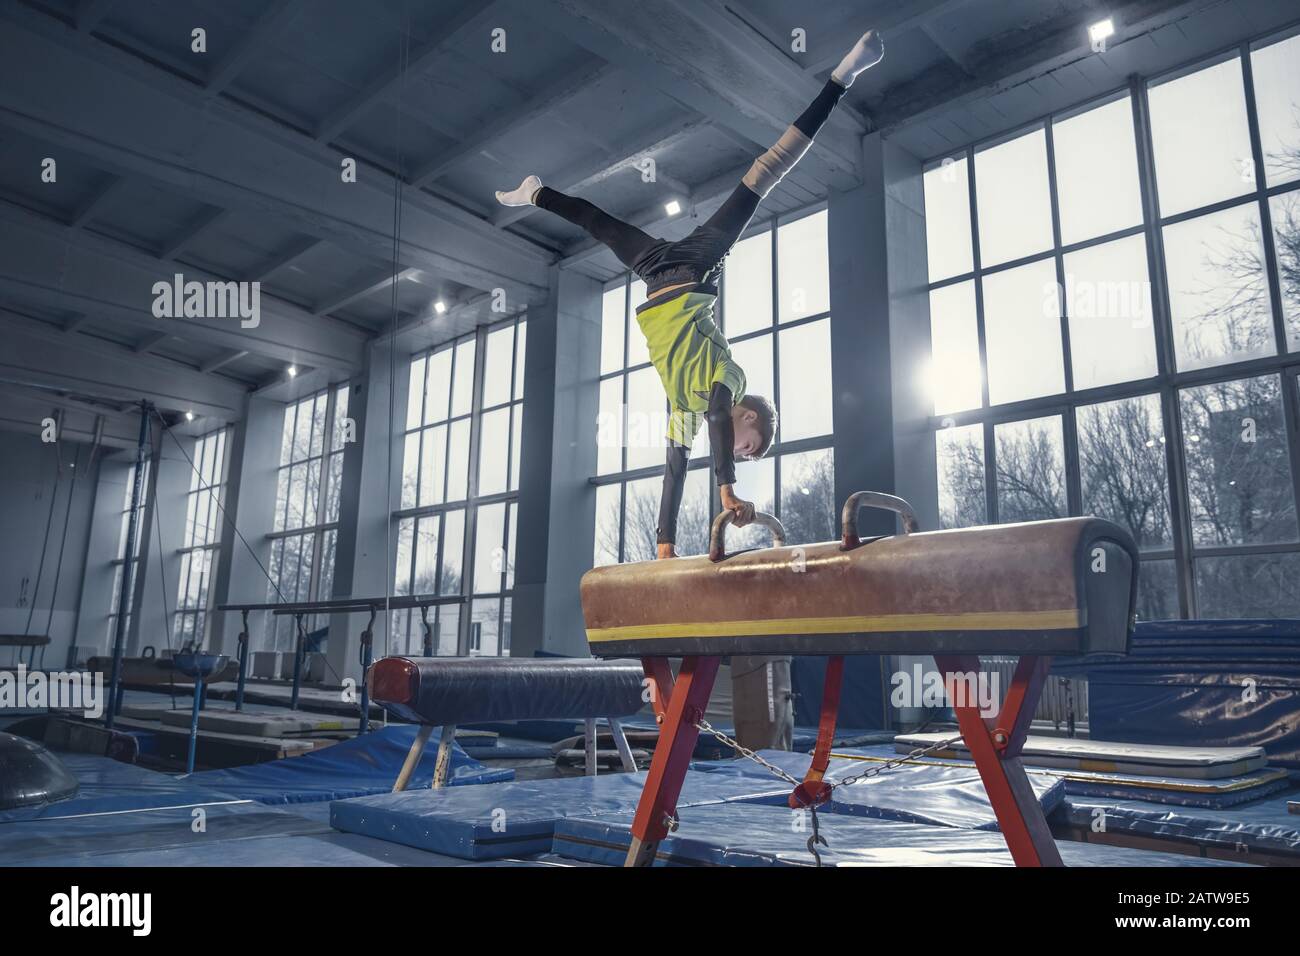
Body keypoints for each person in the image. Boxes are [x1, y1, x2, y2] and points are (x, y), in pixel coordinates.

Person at [497, 30, 885, 559]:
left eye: (742, 458)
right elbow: (720, 413)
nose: (741, 453)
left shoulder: (684, 406)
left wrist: (664, 545)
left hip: (658, 278)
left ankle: (536, 192)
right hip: (698, 268)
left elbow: (675, 468)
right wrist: (727, 487)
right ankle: (842, 79)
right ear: (751, 420)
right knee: (765, 172)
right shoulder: (731, 381)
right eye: (749, 448)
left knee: (597, 223)